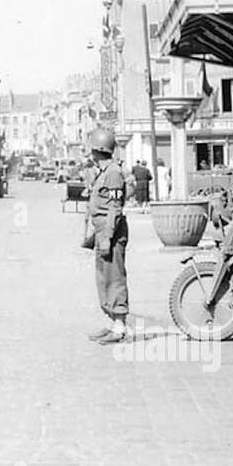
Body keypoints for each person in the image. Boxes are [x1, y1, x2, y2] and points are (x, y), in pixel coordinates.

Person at [84, 128, 130, 344]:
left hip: (111, 232)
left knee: (115, 277)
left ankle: (119, 326)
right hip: (102, 231)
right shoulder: (104, 172)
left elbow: (115, 208)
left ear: (97, 151)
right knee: (103, 278)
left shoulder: (113, 172)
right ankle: (110, 321)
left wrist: (107, 236)